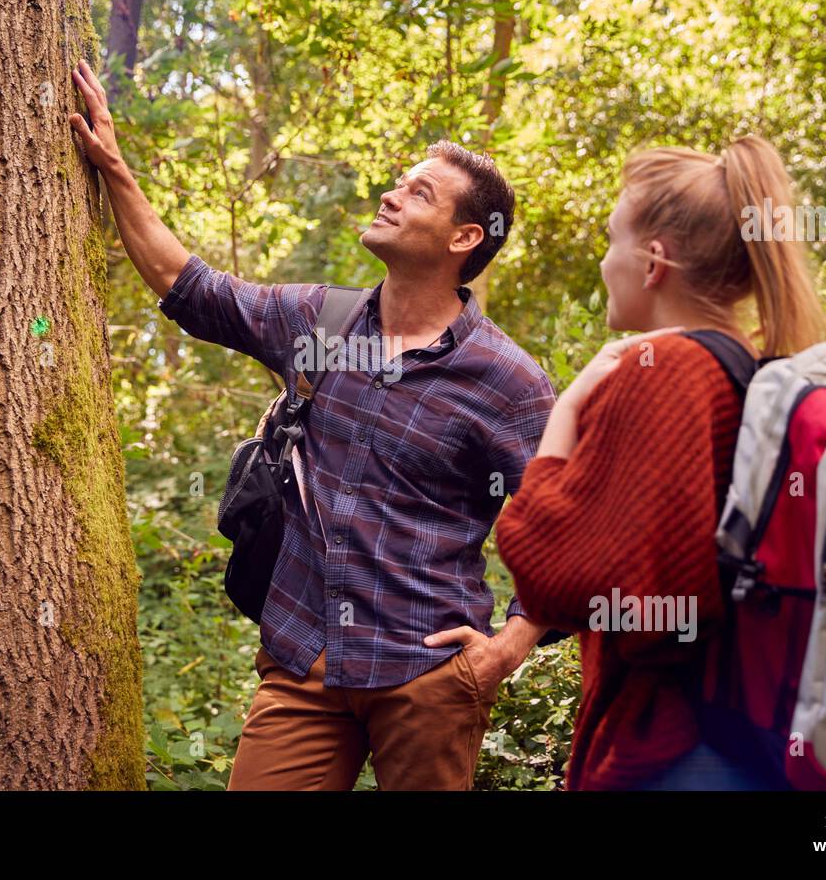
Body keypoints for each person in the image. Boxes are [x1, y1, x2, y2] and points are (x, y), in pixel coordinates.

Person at [68, 60, 561, 790]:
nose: (391, 195)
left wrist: (511, 644)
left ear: (464, 238)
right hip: (303, 661)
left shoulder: (508, 380)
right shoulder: (318, 322)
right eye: (399, 182)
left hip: (427, 678)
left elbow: (570, 519)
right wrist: (111, 166)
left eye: (418, 192)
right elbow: (190, 287)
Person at [495, 135, 826, 790]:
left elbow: (556, 577)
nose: (603, 261)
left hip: (680, 751)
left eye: (610, 239)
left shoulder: (668, 372)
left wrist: (566, 411)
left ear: (652, 262)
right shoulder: (741, 365)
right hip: (739, 736)